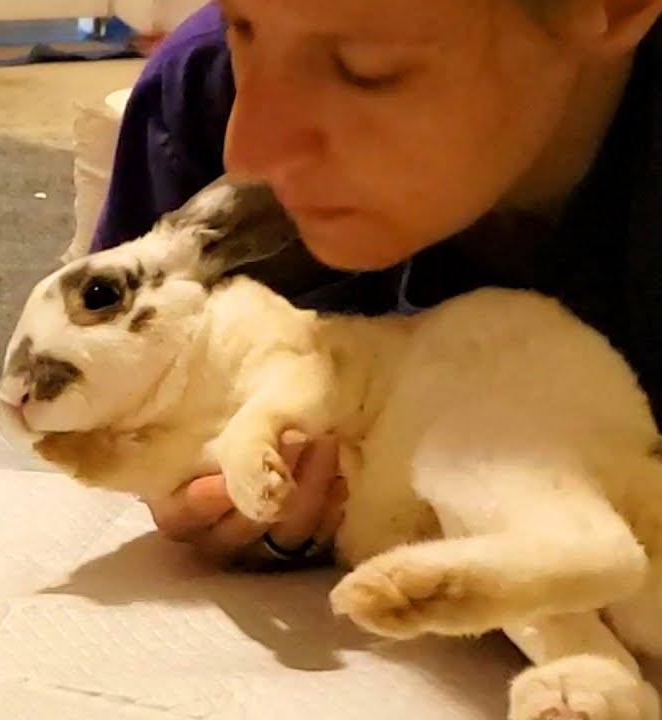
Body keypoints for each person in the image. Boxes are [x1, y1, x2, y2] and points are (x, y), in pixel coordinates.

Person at [91, 0, 662, 568]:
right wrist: (192, 484)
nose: (248, 152)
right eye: (242, 26)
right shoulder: (199, 86)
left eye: (365, 67)